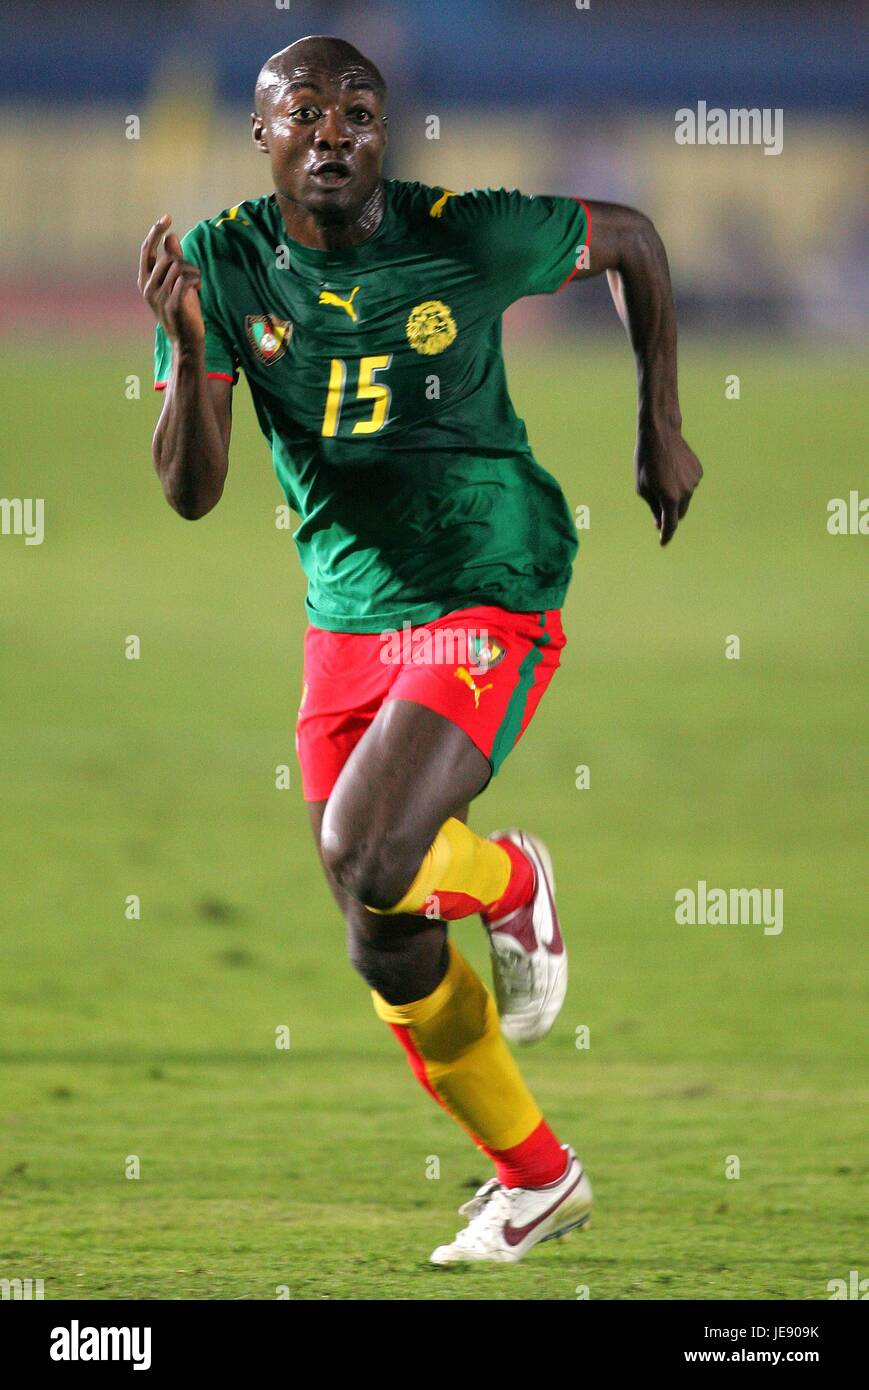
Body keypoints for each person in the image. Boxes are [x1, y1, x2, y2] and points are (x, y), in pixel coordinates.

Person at [139, 34, 702, 1265]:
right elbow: (191, 493)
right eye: (306, 110)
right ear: (263, 134)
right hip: (348, 607)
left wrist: (657, 424)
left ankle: (508, 883)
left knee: (369, 847)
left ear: (382, 136)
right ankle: (537, 1178)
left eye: (358, 112)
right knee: (379, 930)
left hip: (487, 570)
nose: (333, 130)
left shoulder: (466, 232)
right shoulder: (225, 265)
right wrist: (187, 349)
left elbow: (636, 243)